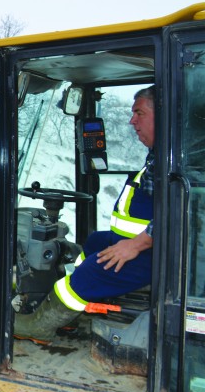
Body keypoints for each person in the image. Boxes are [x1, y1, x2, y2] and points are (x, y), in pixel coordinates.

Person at [15, 86, 156, 342]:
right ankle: (75, 307)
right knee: (94, 242)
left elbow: (178, 216)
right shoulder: (158, 157)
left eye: (139, 113)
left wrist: (135, 245)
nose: (132, 120)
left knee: (92, 269)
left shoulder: (172, 163)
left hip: (155, 254)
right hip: (144, 245)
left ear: (165, 115)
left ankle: (40, 325)